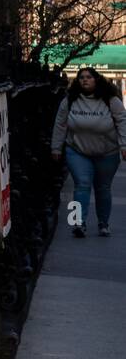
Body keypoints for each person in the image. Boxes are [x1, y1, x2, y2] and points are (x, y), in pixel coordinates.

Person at [50, 67, 126, 237]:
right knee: (81, 184)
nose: (85, 80)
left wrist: (124, 145)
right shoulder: (70, 100)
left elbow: (122, 122)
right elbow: (60, 124)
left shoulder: (111, 100)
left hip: (107, 152)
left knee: (103, 188)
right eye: (81, 77)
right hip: (77, 150)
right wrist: (56, 147)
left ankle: (103, 224)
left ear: (96, 79)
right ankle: (76, 223)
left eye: (89, 77)